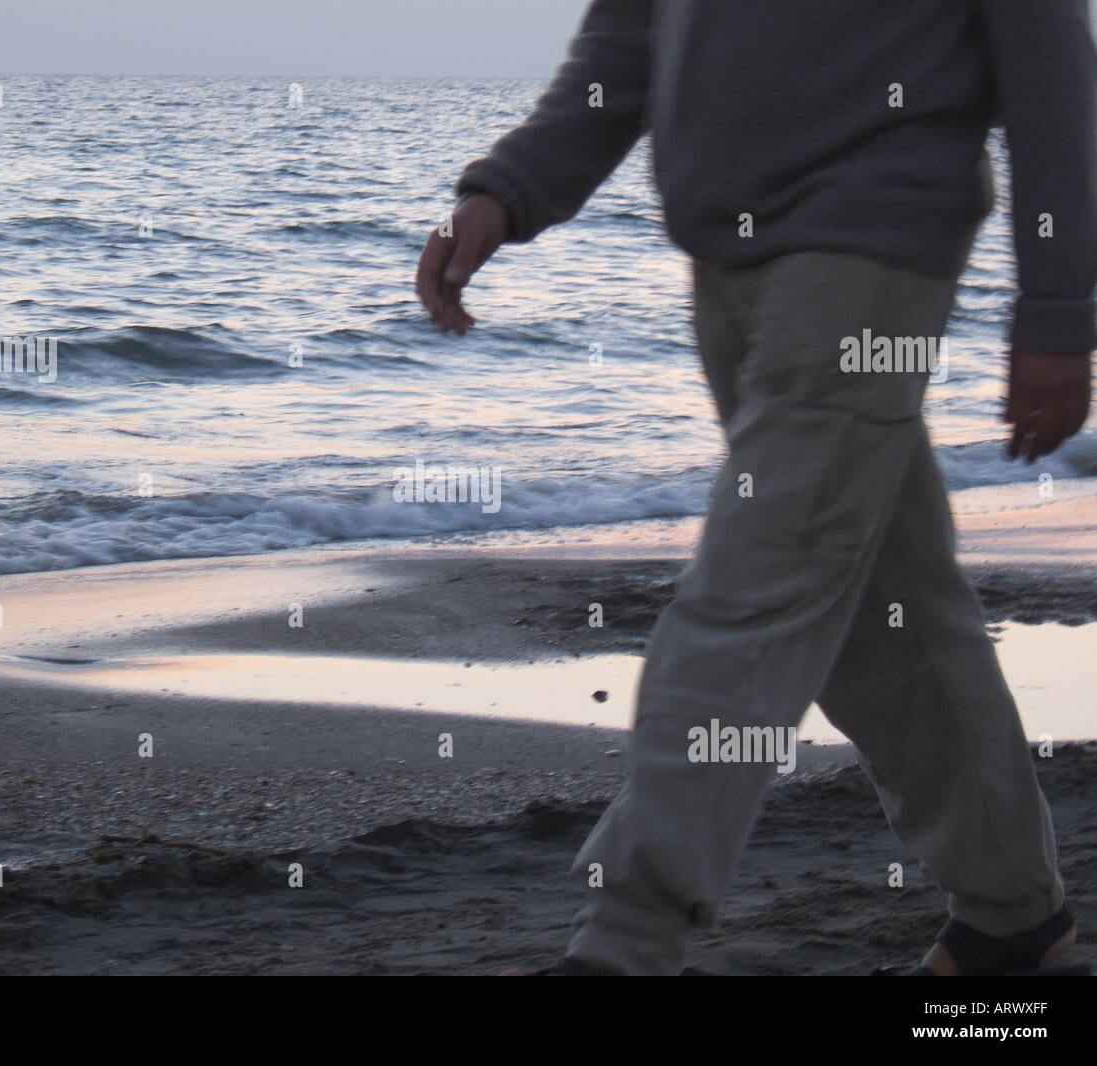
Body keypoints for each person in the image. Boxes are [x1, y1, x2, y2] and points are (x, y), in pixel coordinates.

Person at [415, 0, 1095, 976]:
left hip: (872, 250)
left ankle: (626, 939)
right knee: (882, 609)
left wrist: (1059, 310)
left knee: (756, 583)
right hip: (727, 264)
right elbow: (625, 46)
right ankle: (1012, 920)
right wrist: (508, 190)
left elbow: (1052, 75)